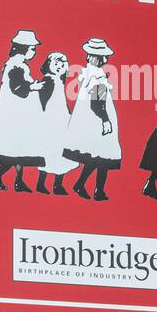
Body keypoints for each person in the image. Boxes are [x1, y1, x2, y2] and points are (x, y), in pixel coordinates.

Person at [62, 37, 121, 201]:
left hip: (88, 122)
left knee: (97, 156)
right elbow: (97, 103)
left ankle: (83, 185)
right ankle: (97, 190)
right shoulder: (98, 77)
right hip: (97, 121)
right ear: (102, 58)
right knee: (103, 156)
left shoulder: (87, 73)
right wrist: (105, 119)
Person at [0, 29, 45, 192]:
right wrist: (34, 86)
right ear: (24, 48)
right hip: (15, 116)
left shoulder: (17, 65)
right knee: (16, 150)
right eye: (32, 49)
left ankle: (18, 181)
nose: (34, 52)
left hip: (18, 115)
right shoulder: (16, 66)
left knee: (20, 150)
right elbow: (18, 88)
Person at [31, 52, 76, 195]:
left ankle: (57, 185)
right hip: (51, 123)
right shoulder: (49, 81)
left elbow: (61, 103)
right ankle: (42, 184)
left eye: (62, 64)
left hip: (61, 122)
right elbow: (41, 103)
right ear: (48, 65)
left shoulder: (58, 81)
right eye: (56, 64)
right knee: (49, 153)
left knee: (61, 154)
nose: (59, 67)